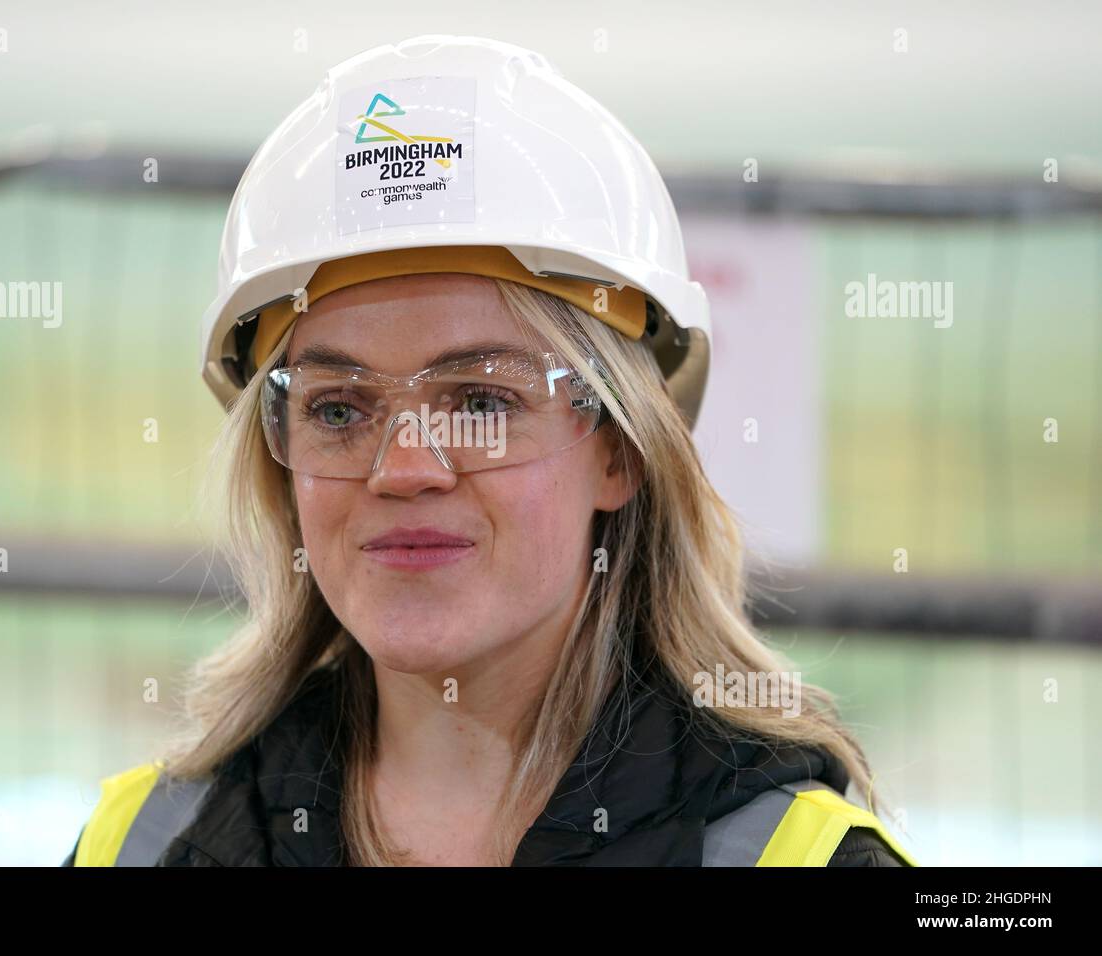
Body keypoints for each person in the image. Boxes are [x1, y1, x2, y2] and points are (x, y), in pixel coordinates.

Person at [63, 34, 916, 867]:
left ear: (620, 452)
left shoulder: (793, 857)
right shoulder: (142, 841)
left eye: (480, 402)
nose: (403, 469)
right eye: (338, 409)